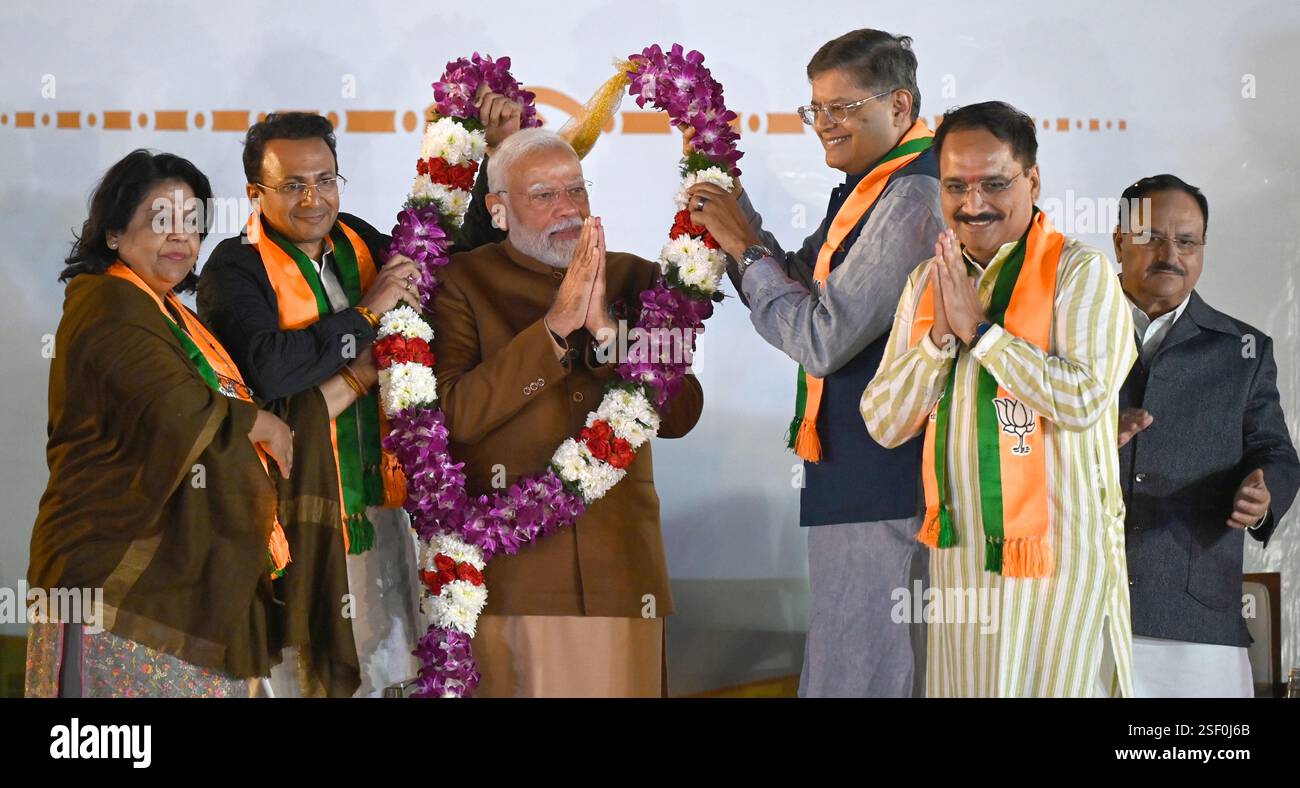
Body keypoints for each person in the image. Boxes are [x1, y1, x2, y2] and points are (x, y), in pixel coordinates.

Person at [26, 149, 367, 697]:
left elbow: (256, 416)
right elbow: (175, 410)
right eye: (161, 221)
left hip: (196, 588)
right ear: (114, 233)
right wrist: (257, 423)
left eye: (192, 223)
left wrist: (356, 379)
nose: (180, 237)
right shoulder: (104, 302)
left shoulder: (178, 318)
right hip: (117, 581)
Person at [685, 28, 943, 698]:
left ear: (900, 104)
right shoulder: (871, 186)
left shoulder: (914, 198)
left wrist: (743, 245)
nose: (824, 126)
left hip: (886, 476)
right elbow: (798, 279)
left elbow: (822, 338)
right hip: (856, 474)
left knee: (861, 677)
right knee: (850, 668)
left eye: (842, 108)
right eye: (815, 110)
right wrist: (736, 215)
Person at [862, 102, 1138, 696]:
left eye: (995, 183)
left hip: (1057, 564)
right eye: (956, 186)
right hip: (961, 562)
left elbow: (1084, 399)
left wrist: (983, 336)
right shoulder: (927, 282)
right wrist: (941, 336)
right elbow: (883, 421)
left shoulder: (1079, 273)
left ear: (1033, 180)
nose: (974, 203)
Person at [433, 128, 704, 697]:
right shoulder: (462, 281)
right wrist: (554, 329)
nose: (568, 209)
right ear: (498, 211)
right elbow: (456, 416)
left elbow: (681, 412)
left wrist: (606, 330)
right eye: (543, 195)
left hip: (622, 571)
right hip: (514, 574)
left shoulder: (636, 279)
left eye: (576, 190)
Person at [1112, 174, 1300, 697]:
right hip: (1080, 611)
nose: (1170, 254)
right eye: (1151, 236)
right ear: (1119, 240)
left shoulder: (1242, 350)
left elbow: (1275, 452)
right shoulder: (1070, 333)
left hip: (1196, 629)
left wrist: (1262, 492)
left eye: (1188, 241)